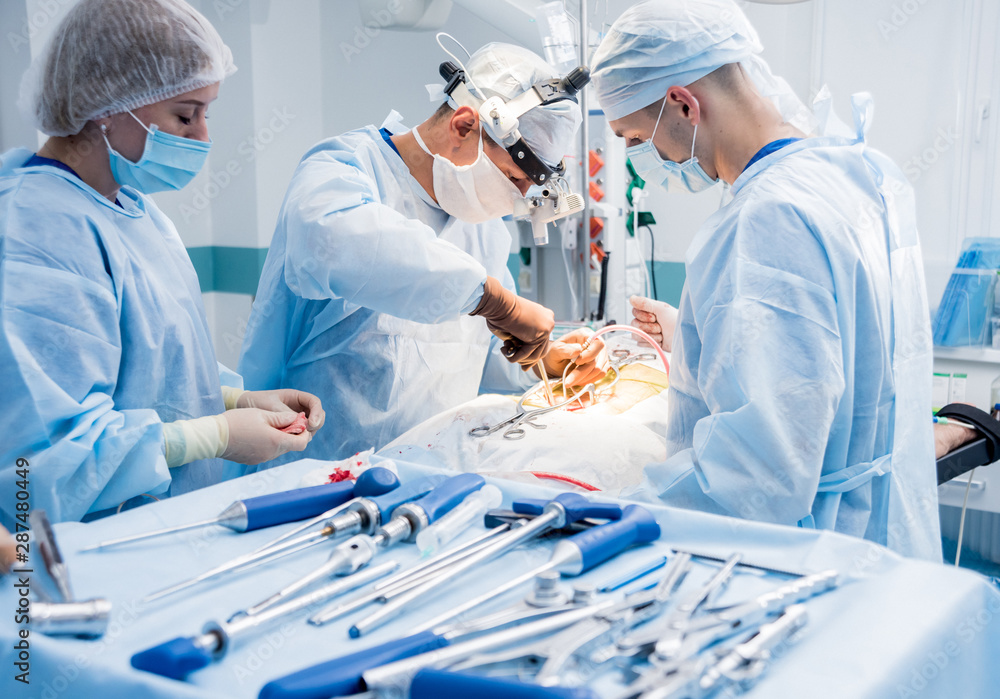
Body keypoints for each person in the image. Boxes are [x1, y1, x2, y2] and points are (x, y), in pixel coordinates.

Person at [591, 0, 941, 560]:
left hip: (805, 552)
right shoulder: (850, 172)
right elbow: (838, 351)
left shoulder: (766, 217)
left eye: (633, 137)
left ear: (683, 105)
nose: (639, 157)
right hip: (877, 528)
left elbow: (758, 475)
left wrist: (619, 516)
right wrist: (701, 341)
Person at [0, 0, 324, 527]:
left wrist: (234, 399)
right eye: (184, 114)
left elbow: (145, 370)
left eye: (206, 113)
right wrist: (213, 434)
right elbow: (41, 460)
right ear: (107, 102)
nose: (203, 136)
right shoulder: (32, 227)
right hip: (77, 552)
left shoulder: (135, 210)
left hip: (166, 524)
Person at [238, 42, 607, 466]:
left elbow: (472, 352)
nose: (516, 200)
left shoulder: (481, 223)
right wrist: (492, 299)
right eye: (512, 178)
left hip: (429, 474)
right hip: (313, 474)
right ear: (465, 126)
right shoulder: (342, 170)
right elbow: (337, 243)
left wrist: (539, 359)